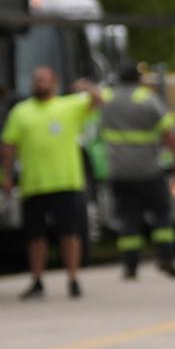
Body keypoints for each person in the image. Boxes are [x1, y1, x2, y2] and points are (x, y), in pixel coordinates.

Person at [0, 66, 103, 299]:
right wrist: (5, 175)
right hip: (34, 184)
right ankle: (37, 280)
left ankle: (73, 278)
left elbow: (99, 101)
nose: (40, 83)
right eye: (37, 80)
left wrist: (87, 87)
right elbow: (8, 144)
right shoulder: (21, 111)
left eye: (44, 79)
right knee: (35, 237)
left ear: (55, 83)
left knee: (69, 233)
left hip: (66, 182)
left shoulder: (69, 105)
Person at [98, 62, 175, 280]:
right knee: (162, 215)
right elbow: (168, 131)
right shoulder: (147, 99)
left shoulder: (108, 99)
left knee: (129, 219)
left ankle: (130, 266)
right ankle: (166, 259)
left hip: (119, 171)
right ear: (139, 79)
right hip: (148, 170)